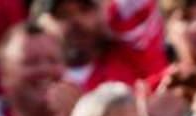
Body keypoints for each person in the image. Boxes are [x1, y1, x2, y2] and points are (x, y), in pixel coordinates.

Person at [30, 0, 166, 92]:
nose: (77, 21)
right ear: (39, 23)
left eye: (85, 9)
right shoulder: (31, 81)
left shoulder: (136, 63)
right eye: (62, 14)